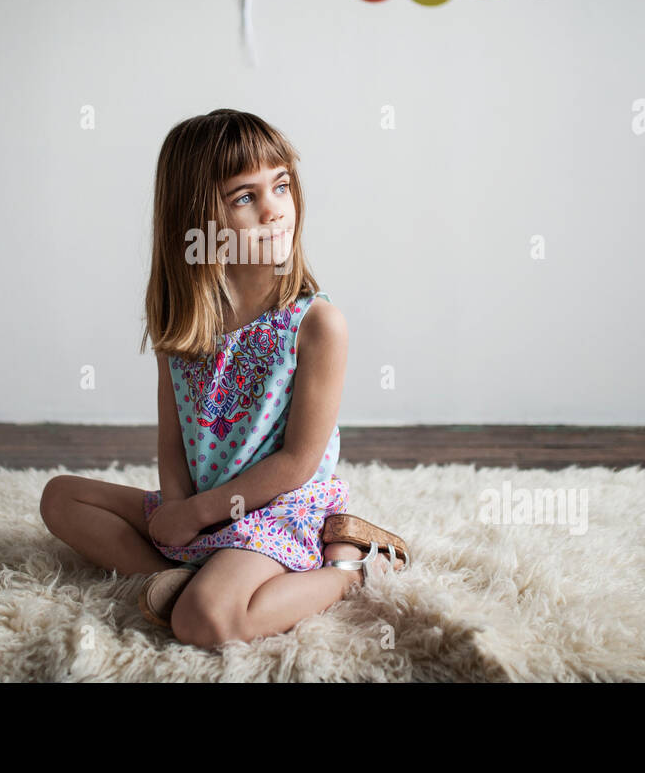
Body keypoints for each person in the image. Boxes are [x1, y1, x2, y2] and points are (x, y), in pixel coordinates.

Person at [40, 109, 408, 650]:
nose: (274, 210)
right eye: (245, 197)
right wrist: (175, 508)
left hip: (278, 509)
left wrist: (197, 514)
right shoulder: (184, 324)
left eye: (281, 186)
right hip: (205, 507)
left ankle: (348, 571)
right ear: (197, 219)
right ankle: (173, 578)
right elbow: (173, 439)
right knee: (60, 498)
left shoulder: (316, 325)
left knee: (206, 622)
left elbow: (298, 462)